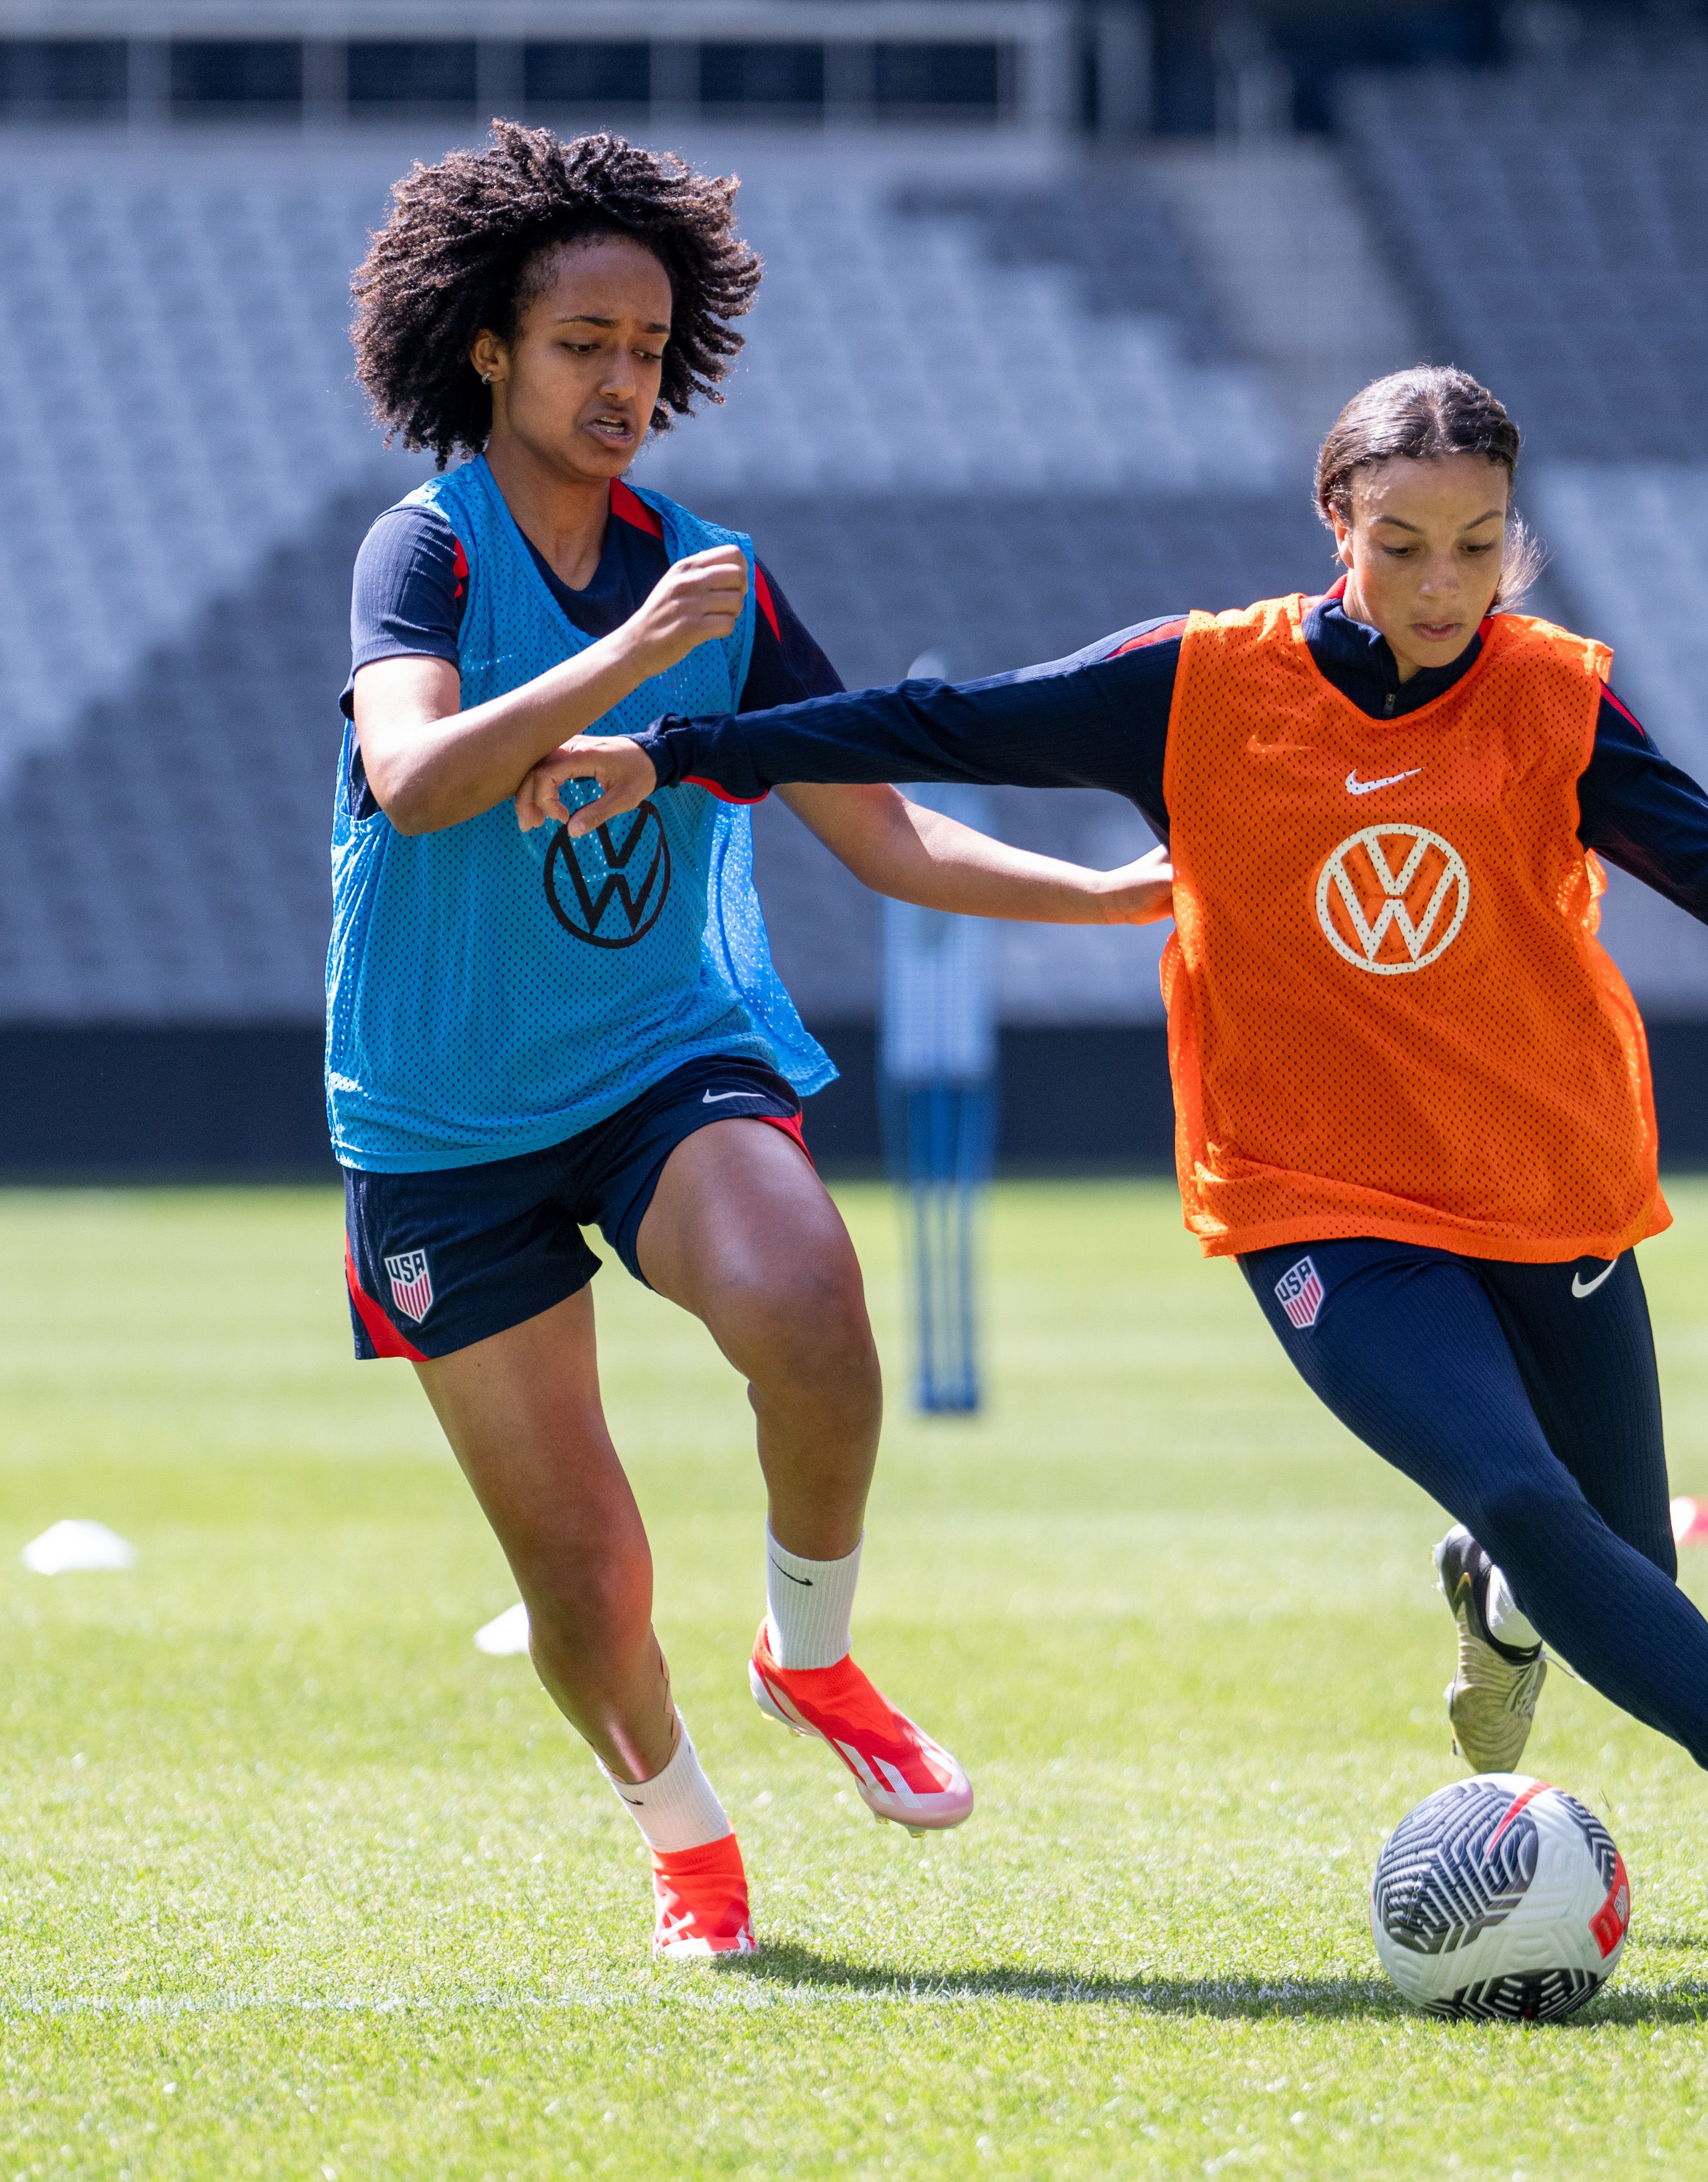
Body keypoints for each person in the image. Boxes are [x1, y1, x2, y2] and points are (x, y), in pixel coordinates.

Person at [526, 365, 1708, 1952]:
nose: (1441, 586)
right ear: (1337, 525)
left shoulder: (1555, 695)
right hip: (1317, 1194)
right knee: (1519, 1483)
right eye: (1402, 544)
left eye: (1478, 546)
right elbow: (939, 721)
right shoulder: (1196, 682)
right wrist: (678, 750)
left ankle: (1503, 1594)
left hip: (1545, 1176)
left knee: (1608, 1561)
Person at [332, 124, 1171, 1960]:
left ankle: (812, 1647)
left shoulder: (718, 573)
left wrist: (1109, 901)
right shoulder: (426, 554)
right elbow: (415, 779)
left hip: (660, 1053)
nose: (625, 380)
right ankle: (687, 1834)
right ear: (487, 347)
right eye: (582, 345)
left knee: (808, 1294)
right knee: (585, 1570)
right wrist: (630, 655)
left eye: (648, 345)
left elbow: (887, 832)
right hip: (442, 1112)